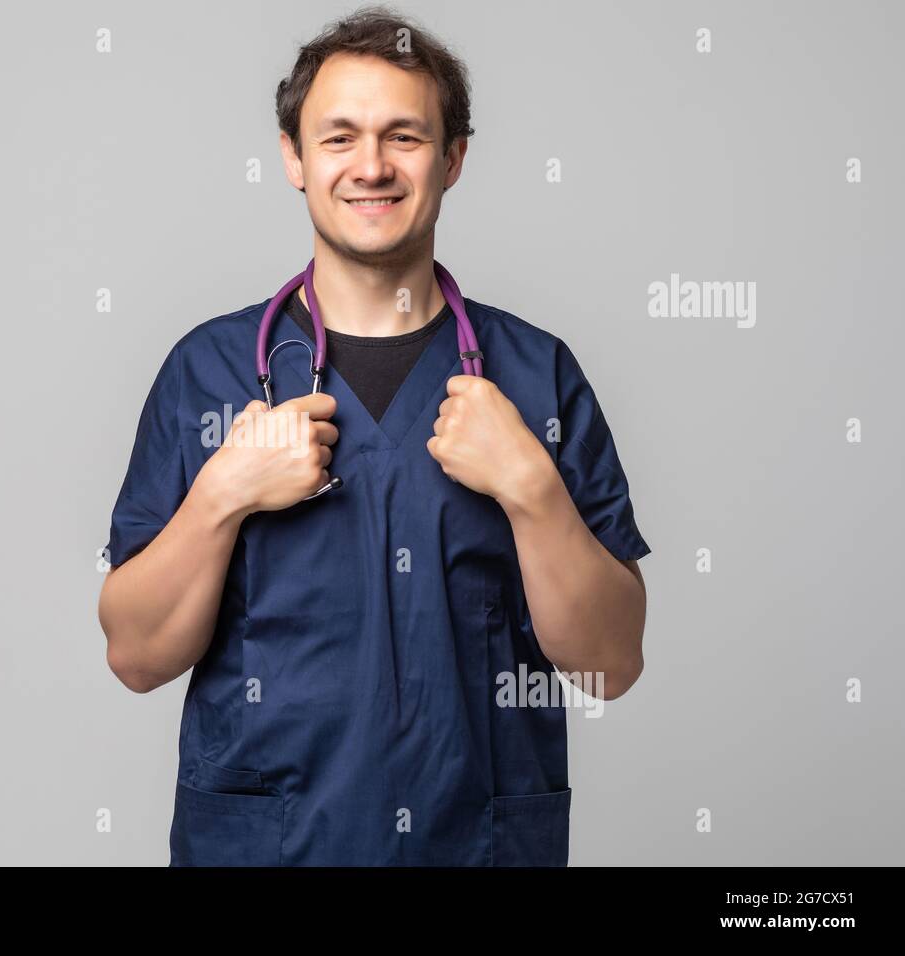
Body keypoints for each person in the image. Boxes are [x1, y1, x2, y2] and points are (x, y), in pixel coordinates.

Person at [97, 6, 650, 866]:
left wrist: (532, 490)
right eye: (339, 137)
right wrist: (222, 495)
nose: (372, 167)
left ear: (454, 157)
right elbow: (134, 655)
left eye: (405, 136)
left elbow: (609, 664)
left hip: (474, 847)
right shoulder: (207, 373)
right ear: (292, 157)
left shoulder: (535, 376)